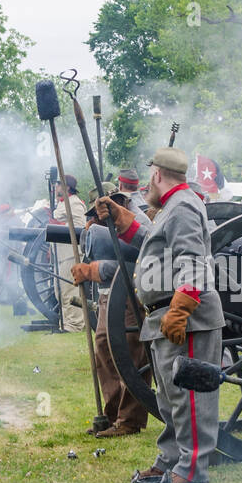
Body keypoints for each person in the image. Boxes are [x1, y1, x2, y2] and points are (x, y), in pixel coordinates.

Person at [95, 148, 224, 483]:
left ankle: (192, 469)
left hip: (186, 317)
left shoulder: (182, 206)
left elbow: (192, 258)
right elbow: (158, 248)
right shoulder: (173, 208)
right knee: (169, 399)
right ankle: (171, 461)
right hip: (166, 315)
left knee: (190, 398)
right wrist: (124, 221)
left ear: (156, 175)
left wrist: (181, 310)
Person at [73, 183, 152, 437]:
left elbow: (134, 262)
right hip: (110, 296)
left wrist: (94, 270)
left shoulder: (137, 222)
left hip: (131, 294)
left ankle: (130, 420)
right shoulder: (103, 225)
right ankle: (112, 414)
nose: (95, 218)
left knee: (131, 354)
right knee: (104, 349)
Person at [51, 174, 88, 332]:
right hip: (61, 254)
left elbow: (80, 228)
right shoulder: (62, 204)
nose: (55, 187)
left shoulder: (75, 203)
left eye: (58, 184)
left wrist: (59, 225)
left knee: (70, 290)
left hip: (71, 253)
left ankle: (75, 325)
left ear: (66, 187)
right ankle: (65, 323)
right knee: (60, 291)